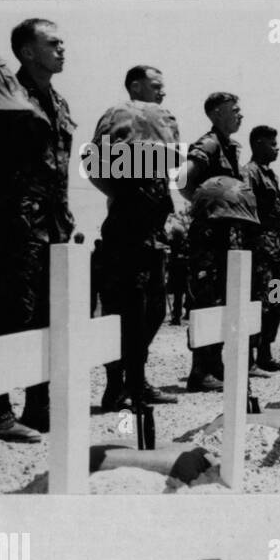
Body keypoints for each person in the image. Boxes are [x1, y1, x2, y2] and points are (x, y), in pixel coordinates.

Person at [0, 19, 75, 441]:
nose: (62, 49)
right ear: (27, 52)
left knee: (50, 313)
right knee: (7, 313)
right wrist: (8, 186)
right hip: (15, 224)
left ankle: (38, 405)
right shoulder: (4, 96)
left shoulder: (59, 101)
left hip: (53, 224)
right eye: (53, 43)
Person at [89, 64, 182, 411]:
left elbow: (169, 167)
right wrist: (122, 195)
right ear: (135, 85)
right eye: (156, 84)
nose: (162, 90)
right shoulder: (118, 114)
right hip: (126, 229)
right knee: (124, 311)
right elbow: (98, 167)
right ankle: (118, 387)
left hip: (154, 230)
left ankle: (136, 379)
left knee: (155, 309)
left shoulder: (163, 118)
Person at [177, 93, 243, 389]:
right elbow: (182, 179)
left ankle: (215, 366)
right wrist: (203, 207)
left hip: (224, 238)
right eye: (234, 110)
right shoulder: (210, 144)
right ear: (216, 113)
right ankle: (200, 371)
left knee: (221, 300)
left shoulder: (229, 148)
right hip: (208, 238)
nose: (240, 114)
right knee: (205, 300)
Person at [185, 176, 260, 391]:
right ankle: (200, 371)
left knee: (225, 309)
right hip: (209, 273)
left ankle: (217, 365)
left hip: (229, 269)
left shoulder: (223, 227)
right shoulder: (206, 227)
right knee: (207, 310)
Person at [241, 125, 280, 373]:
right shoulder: (250, 173)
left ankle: (265, 353)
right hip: (259, 249)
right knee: (258, 303)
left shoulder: (271, 175)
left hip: (275, 251)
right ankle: (249, 358)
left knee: (275, 301)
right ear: (258, 143)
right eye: (272, 144)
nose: (277, 148)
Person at [165, 222, 188, 324]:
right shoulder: (184, 244)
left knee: (178, 296)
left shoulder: (177, 244)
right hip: (181, 272)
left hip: (177, 273)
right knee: (179, 296)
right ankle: (177, 315)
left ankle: (176, 317)